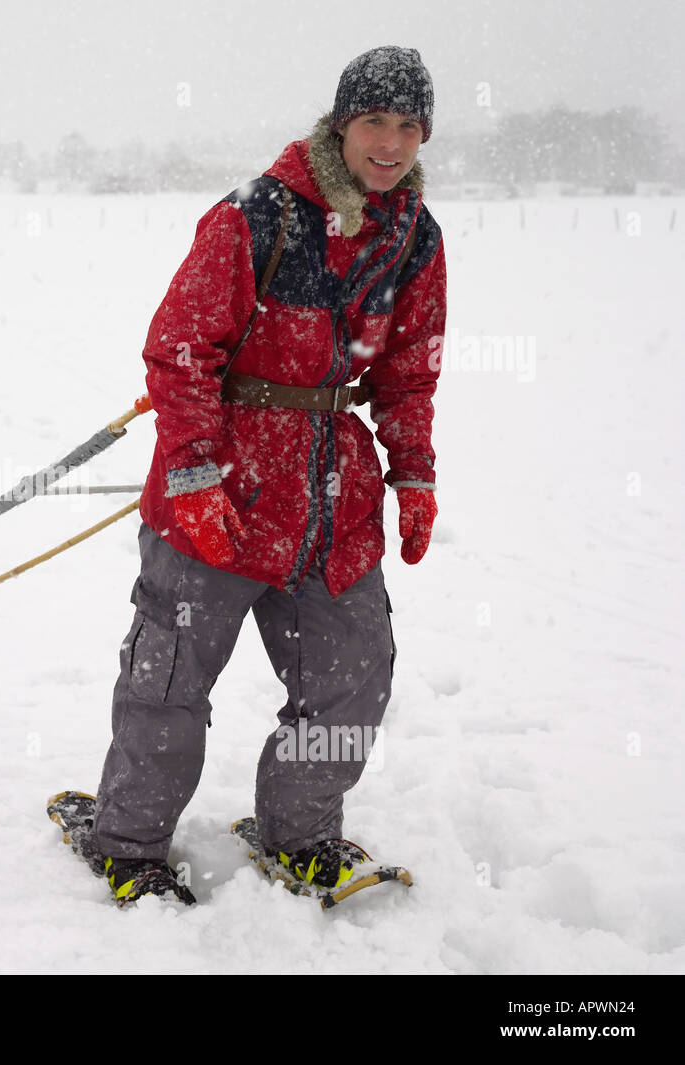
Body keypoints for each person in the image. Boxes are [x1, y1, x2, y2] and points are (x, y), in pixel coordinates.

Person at [91, 46, 445, 906]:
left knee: (352, 679)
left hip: (334, 502)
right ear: (340, 122)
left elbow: (408, 371)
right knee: (171, 679)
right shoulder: (257, 215)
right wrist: (198, 477)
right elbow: (179, 351)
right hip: (225, 490)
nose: (390, 143)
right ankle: (130, 843)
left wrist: (415, 475)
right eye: (374, 122)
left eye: (408, 125)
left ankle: (300, 832)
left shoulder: (413, 238)